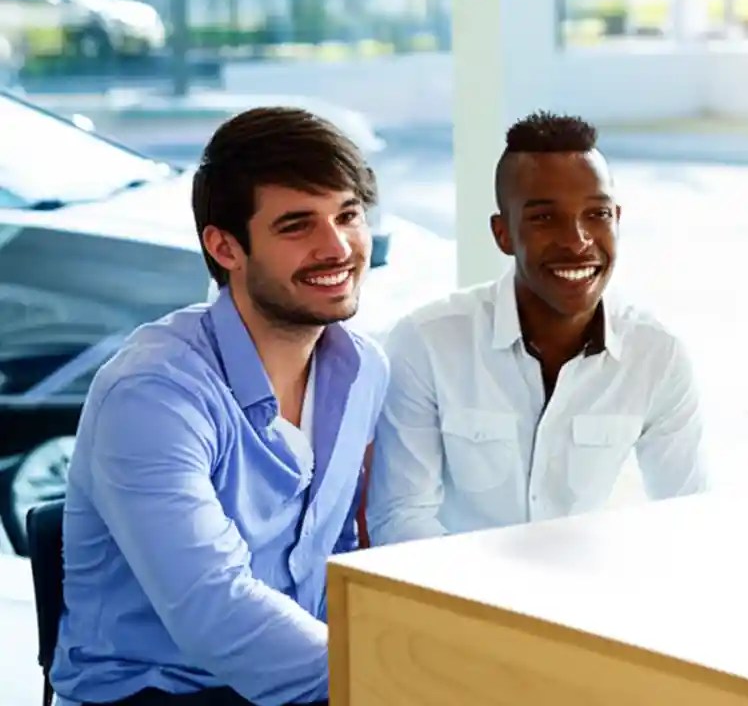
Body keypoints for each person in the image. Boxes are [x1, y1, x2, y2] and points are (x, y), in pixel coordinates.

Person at [50, 107, 389, 706]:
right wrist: (393, 678)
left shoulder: (360, 368)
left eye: (348, 215)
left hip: (306, 681)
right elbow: (215, 611)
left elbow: (339, 558)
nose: (337, 247)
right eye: (297, 226)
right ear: (225, 247)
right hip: (154, 693)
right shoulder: (153, 392)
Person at [367, 112, 707, 543]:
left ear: (617, 220)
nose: (578, 241)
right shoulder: (427, 342)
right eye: (545, 218)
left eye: (597, 213)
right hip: (452, 581)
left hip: (588, 581)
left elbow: (688, 514)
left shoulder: (657, 353)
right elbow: (400, 518)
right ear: (503, 234)